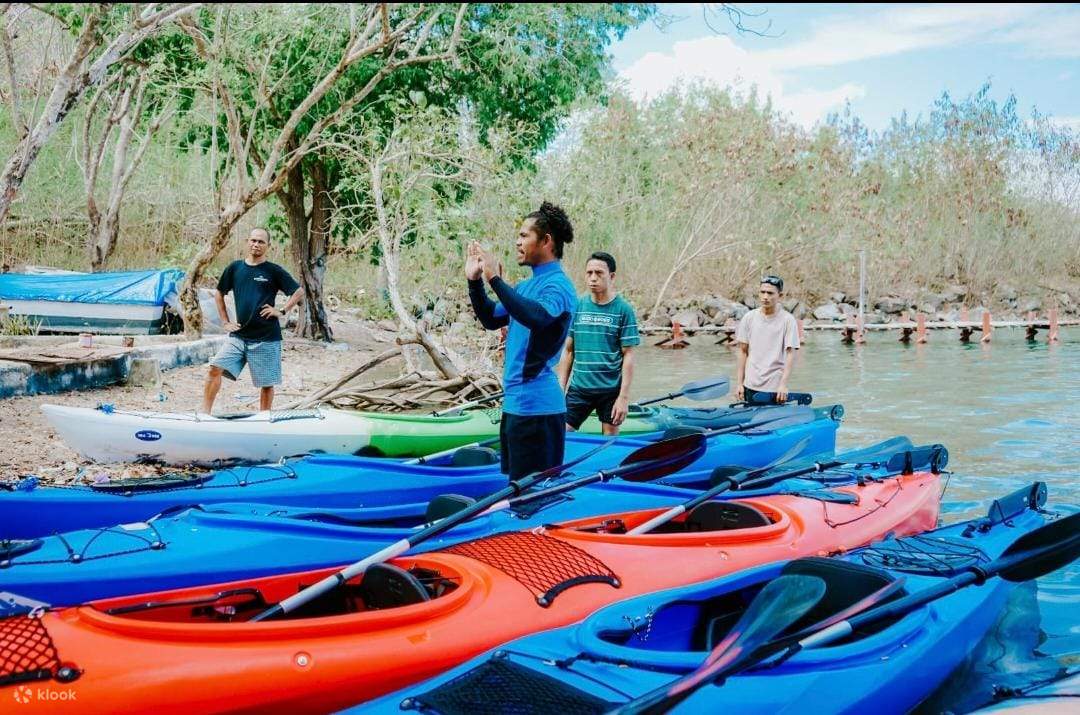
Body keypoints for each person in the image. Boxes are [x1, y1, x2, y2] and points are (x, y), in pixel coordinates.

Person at [466, 202, 577, 479]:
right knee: (517, 491)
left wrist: (495, 279)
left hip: (539, 409)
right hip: (515, 405)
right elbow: (492, 317)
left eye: (524, 235)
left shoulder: (559, 286)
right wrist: (475, 281)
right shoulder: (526, 286)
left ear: (546, 241)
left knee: (533, 498)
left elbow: (537, 317)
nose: (518, 242)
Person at [201, 227, 304, 414]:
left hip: (266, 337)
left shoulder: (273, 271)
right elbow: (219, 293)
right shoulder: (235, 268)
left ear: (268, 246)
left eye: (261, 242)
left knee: (266, 384)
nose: (256, 244)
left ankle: (264, 420)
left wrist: (281, 310)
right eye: (253, 240)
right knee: (214, 368)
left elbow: (298, 291)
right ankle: (204, 414)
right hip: (239, 336)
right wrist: (225, 322)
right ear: (247, 242)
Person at [556, 251, 639, 435]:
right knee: (558, 435)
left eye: (599, 273)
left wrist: (623, 397)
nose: (593, 278)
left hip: (610, 391)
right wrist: (559, 389)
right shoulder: (578, 306)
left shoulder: (623, 310)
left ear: (612, 276)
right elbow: (568, 351)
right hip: (579, 389)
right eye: (589, 273)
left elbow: (629, 355)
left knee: (609, 443)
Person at [735, 274, 800, 404]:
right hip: (750, 384)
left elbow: (791, 353)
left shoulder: (787, 320)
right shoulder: (749, 318)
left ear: (780, 296)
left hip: (774, 388)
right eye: (762, 292)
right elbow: (743, 352)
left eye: (770, 293)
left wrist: (783, 384)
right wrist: (739, 383)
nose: (765, 297)